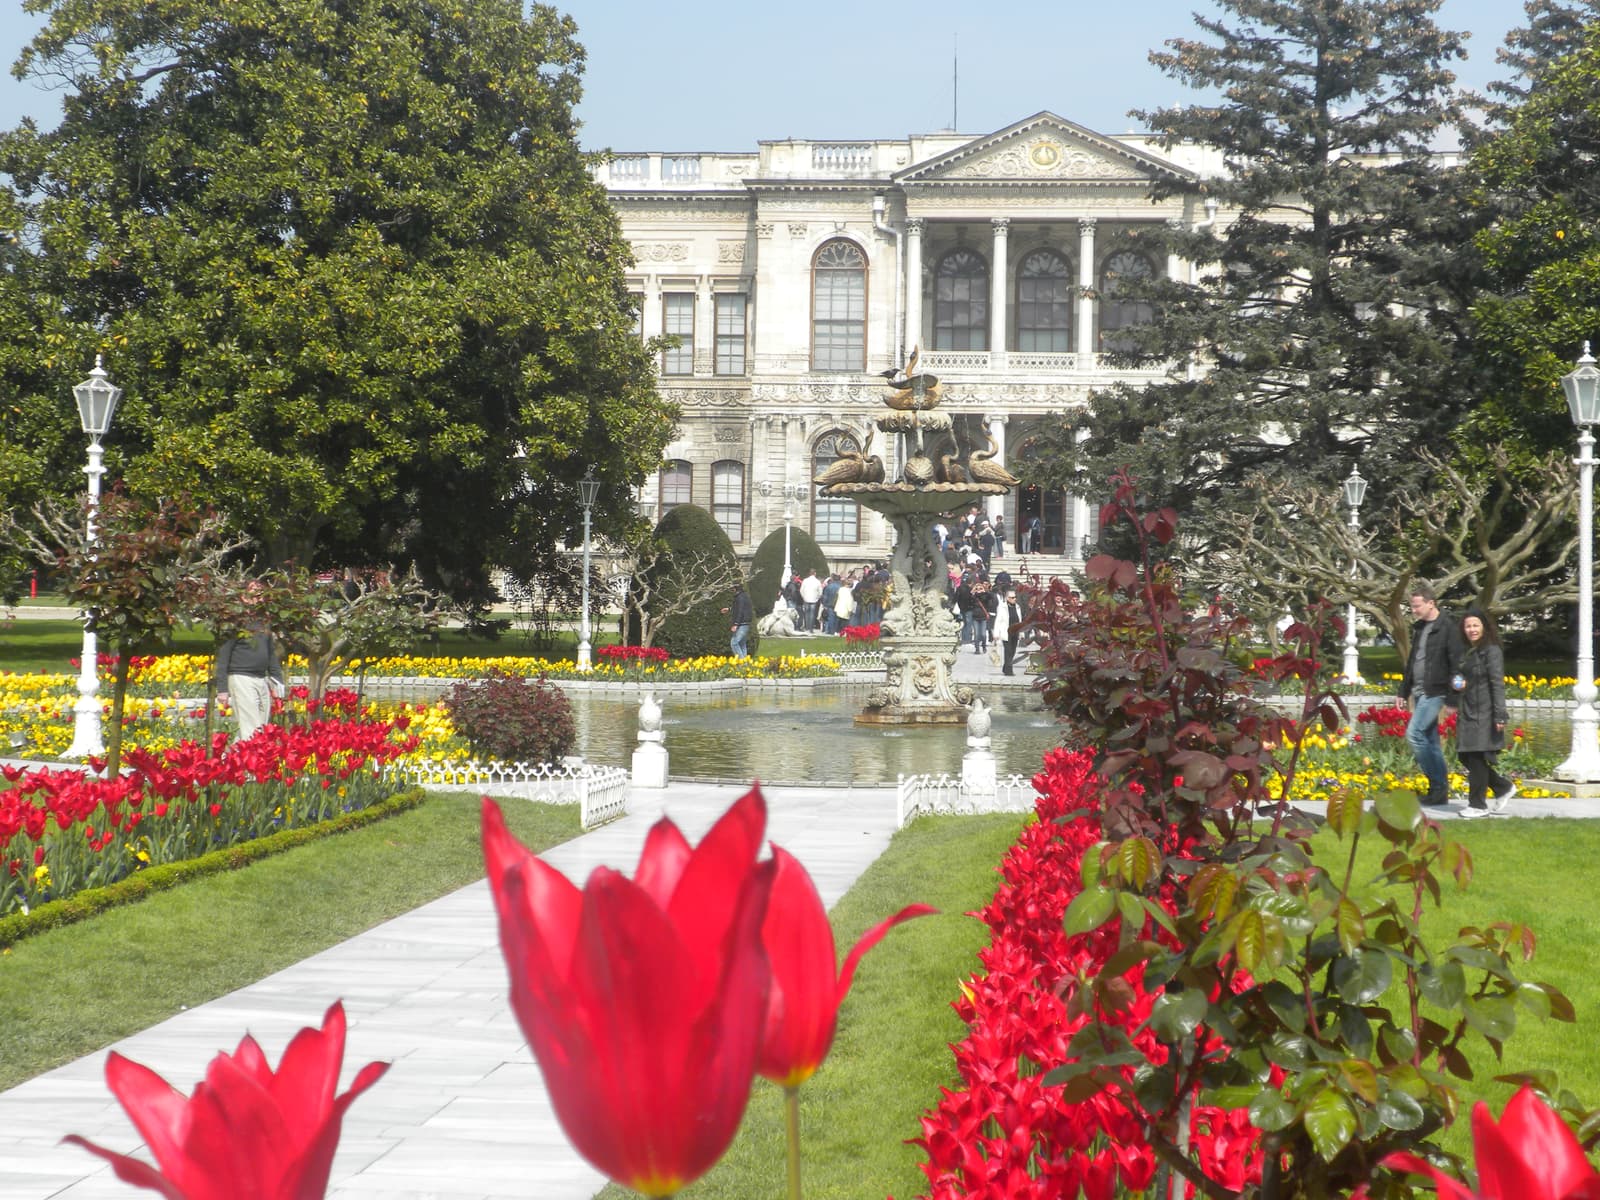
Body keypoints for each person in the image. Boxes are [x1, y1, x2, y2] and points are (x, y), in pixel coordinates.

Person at [1397, 582, 1466, 807]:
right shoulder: (1420, 628)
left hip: (1435, 691)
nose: (1414, 610)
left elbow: (1457, 666)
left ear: (1431, 603)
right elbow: (1412, 662)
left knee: (1414, 734)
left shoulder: (1448, 628)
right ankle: (1438, 791)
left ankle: (1437, 785)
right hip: (1418, 690)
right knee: (1430, 742)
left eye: (1417, 606)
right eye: (1412, 606)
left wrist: (1454, 698)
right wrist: (1403, 691)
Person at [1455, 608, 1516, 816]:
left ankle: (1477, 805)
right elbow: (1460, 676)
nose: (1472, 629)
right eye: (1468, 626)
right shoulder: (1467, 651)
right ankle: (1502, 787)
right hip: (1468, 709)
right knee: (1465, 755)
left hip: (1485, 712)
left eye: (1475, 625)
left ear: (1484, 627)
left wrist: (1500, 714)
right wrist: (1457, 682)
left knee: (1474, 756)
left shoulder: (1491, 651)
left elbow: (1497, 684)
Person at [214, 584, 284, 740]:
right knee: (253, 730)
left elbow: (270, 653)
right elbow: (223, 655)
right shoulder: (235, 622)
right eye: (254, 595)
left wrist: (277, 681)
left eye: (261, 595)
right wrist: (222, 689)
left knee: (261, 728)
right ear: (244, 597)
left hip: (261, 679)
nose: (259, 599)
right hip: (242, 678)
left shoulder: (263, 621)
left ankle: (232, 755)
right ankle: (248, 755)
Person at [1001, 590, 1023, 675]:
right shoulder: (1002, 607)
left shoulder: (1017, 607)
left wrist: (1021, 632)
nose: (1015, 599)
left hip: (1015, 631)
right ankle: (1009, 670)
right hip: (1006, 631)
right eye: (1012, 597)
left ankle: (1005, 667)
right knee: (1008, 651)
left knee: (1013, 651)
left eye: (1015, 597)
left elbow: (1020, 620)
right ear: (1007, 598)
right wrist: (996, 633)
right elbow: (998, 620)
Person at [727, 585, 753, 658]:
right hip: (745, 622)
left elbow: (740, 611)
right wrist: (729, 609)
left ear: (736, 589)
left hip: (742, 623)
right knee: (742, 644)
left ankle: (742, 661)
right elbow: (739, 608)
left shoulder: (740, 597)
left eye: (732, 588)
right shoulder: (743, 596)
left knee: (734, 643)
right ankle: (745, 662)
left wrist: (736, 624)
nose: (731, 589)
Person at [799, 569, 823, 633]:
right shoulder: (817, 581)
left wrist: (803, 597)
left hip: (806, 599)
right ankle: (811, 628)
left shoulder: (805, 580)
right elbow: (820, 591)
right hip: (814, 599)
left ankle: (807, 627)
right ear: (815, 573)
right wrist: (817, 598)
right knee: (812, 614)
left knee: (807, 613)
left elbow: (801, 590)